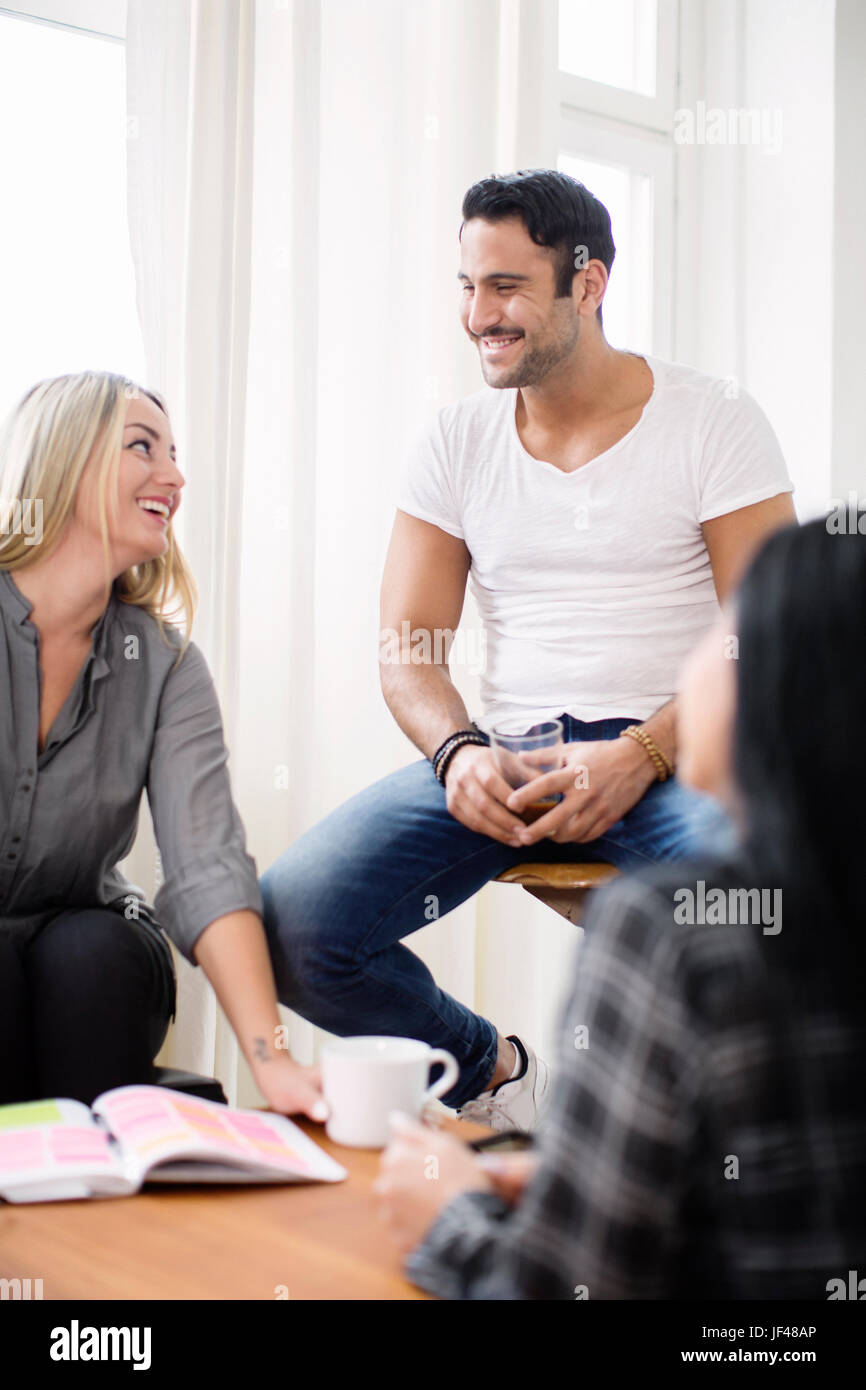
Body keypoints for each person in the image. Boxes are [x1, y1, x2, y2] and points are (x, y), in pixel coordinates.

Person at [261, 168, 796, 1132]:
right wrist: (456, 752)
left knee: (780, 914)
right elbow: (408, 649)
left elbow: (767, 628)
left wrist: (642, 754)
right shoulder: (455, 441)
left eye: (506, 286)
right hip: (505, 758)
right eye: (467, 288)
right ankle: (492, 1073)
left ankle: (691, 1159)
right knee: (293, 927)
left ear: (586, 283)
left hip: (673, 761)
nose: (479, 316)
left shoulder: (713, 419)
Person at [373, 518, 866, 1300]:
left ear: (779, 682)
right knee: (300, 914)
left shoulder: (675, 934)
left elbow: (562, 1287)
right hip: (490, 753)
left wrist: (449, 1212)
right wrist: (587, 1184)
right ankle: (496, 1064)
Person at [0, 370, 325, 1117]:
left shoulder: (168, 665)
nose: (174, 477)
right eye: (142, 447)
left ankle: (96, 1219)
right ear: (63, 457)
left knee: (93, 955)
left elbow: (207, 865)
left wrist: (271, 1061)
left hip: (91, 944)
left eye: (174, 454)